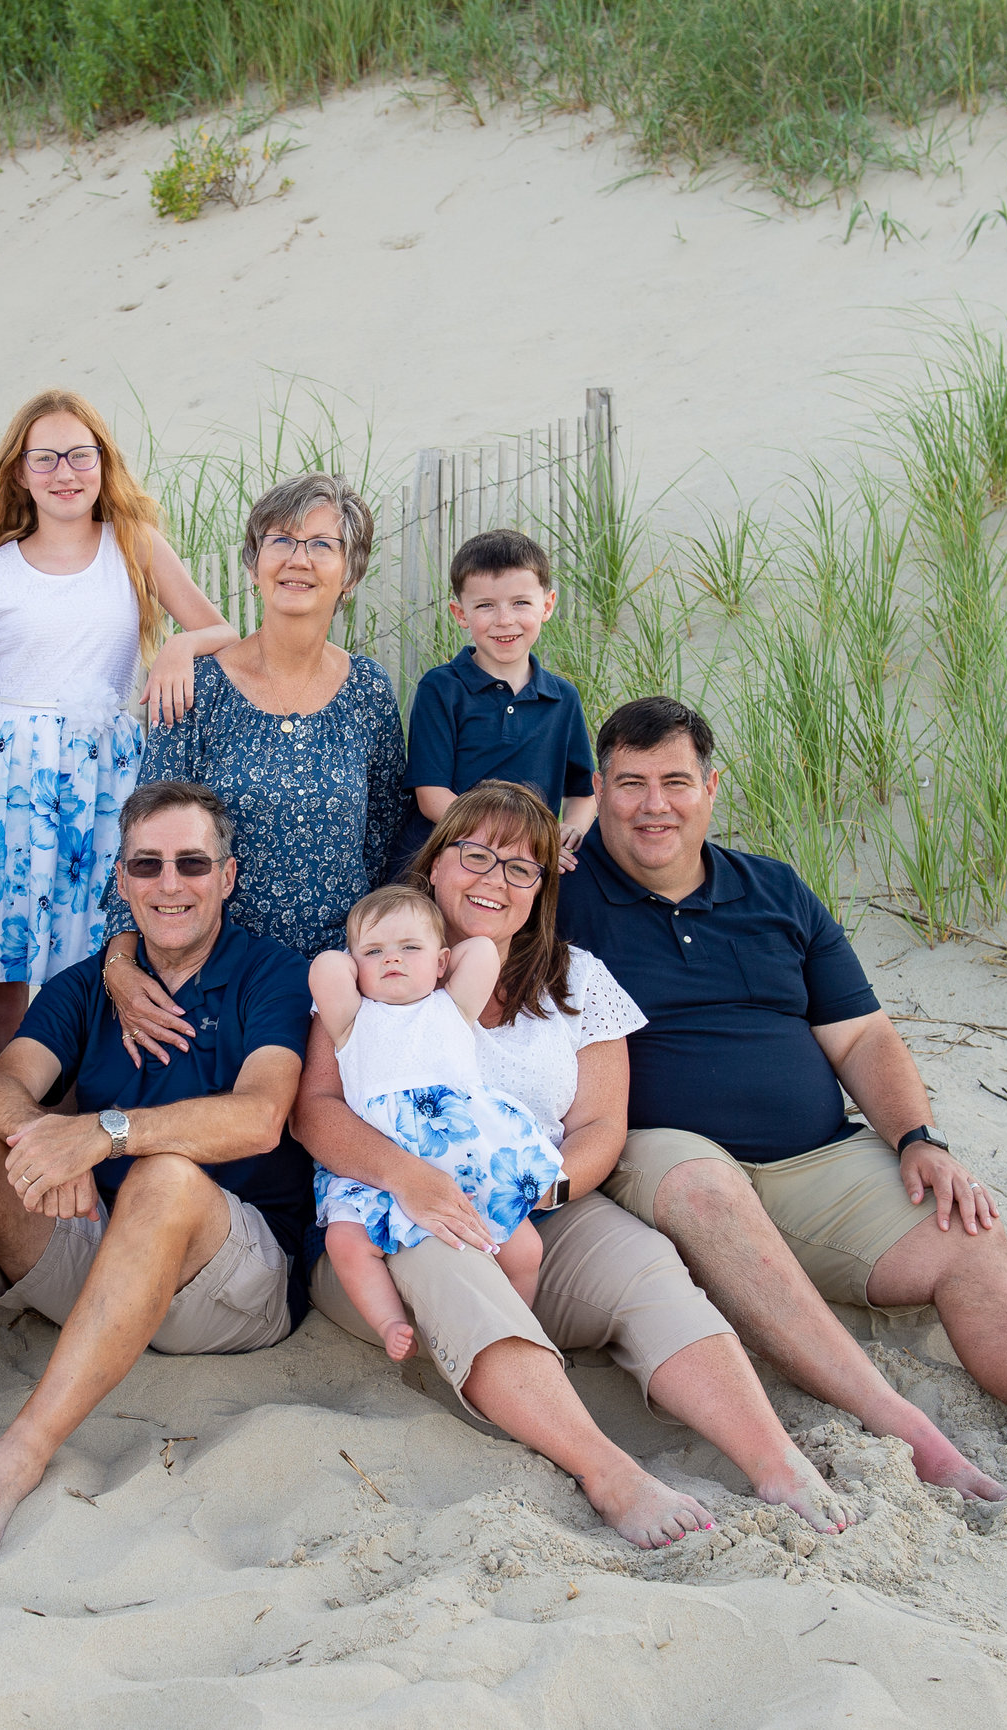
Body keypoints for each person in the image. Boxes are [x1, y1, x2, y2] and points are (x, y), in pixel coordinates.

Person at [562, 697, 1007, 1492]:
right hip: (661, 1159)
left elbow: (860, 1036)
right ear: (599, 790)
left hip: (815, 1159)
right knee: (704, 1188)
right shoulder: (559, 893)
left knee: (961, 1230)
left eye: (675, 782)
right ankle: (903, 1426)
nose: (653, 805)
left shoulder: (774, 890)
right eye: (631, 784)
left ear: (711, 788)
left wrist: (917, 1138)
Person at [297, 782, 859, 1544]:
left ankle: (774, 1460)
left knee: (645, 1267)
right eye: (474, 856)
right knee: (449, 1253)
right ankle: (609, 1473)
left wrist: (538, 1188)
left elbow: (600, 1125)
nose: (494, 880)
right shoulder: (377, 971)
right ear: (433, 865)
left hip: (533, 1208)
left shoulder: (577, 978)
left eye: (519, 867)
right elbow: (313, 1112)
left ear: (540, 887)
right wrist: (409, 1177)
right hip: (384, 1220)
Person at [0, 781, 313, 1560]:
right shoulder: (89, 983)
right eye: (146, 864)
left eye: (192, 863)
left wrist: (102, 1135)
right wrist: (44, 1142)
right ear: (121, 879)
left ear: (226, 876)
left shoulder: (273, 973)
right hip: (104, 1252)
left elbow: (260, 1116)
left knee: (164, 1176)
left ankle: (16, 1459)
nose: (169, 883)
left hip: (230, 1283)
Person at [0, 389, 238, 1069]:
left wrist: (178, 647)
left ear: (103, 463)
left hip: (104, 776)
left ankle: (82, 1097)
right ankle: (5, 1099)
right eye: (44, 458)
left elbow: (220, 630)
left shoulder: (134, 547)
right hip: (8, 778)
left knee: (98, 947)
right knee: (5, 960)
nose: (64, 473)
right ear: (20, 473)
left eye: (80, 455)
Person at [98, 473, 406, 1059]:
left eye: (322, 544)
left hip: (340, 979)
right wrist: (120, 960)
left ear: (350, 573)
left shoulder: (368, 689)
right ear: (254, 563)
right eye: (280, 540)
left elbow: (386, 837)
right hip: (219, 979)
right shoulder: (197, 686)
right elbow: (143, 834)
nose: (298, 558)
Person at [311, 884, 561, 1361]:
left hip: (466, 1162)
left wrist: (432, 963)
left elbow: (481, 949)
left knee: (525, 1250)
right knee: (345, 1241)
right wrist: (359, 959)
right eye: (374, 952)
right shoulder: (351, 1022)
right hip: (383, 1165)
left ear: (442, 962)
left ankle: (521, 1321)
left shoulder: (453, 1006)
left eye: (410, 948)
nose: (392, 959)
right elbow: (325, 967)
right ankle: (390, 1321)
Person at [392, 528, 596, 875]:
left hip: (522, 869)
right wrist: (513, 843)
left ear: (547, 606)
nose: (504, 620)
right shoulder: (441, 688)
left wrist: (570, 830)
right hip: (443, 867)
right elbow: (432, 797)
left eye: (520, 603)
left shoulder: (563, 698)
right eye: (485, 605)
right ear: (460, 614)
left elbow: (582, 792)